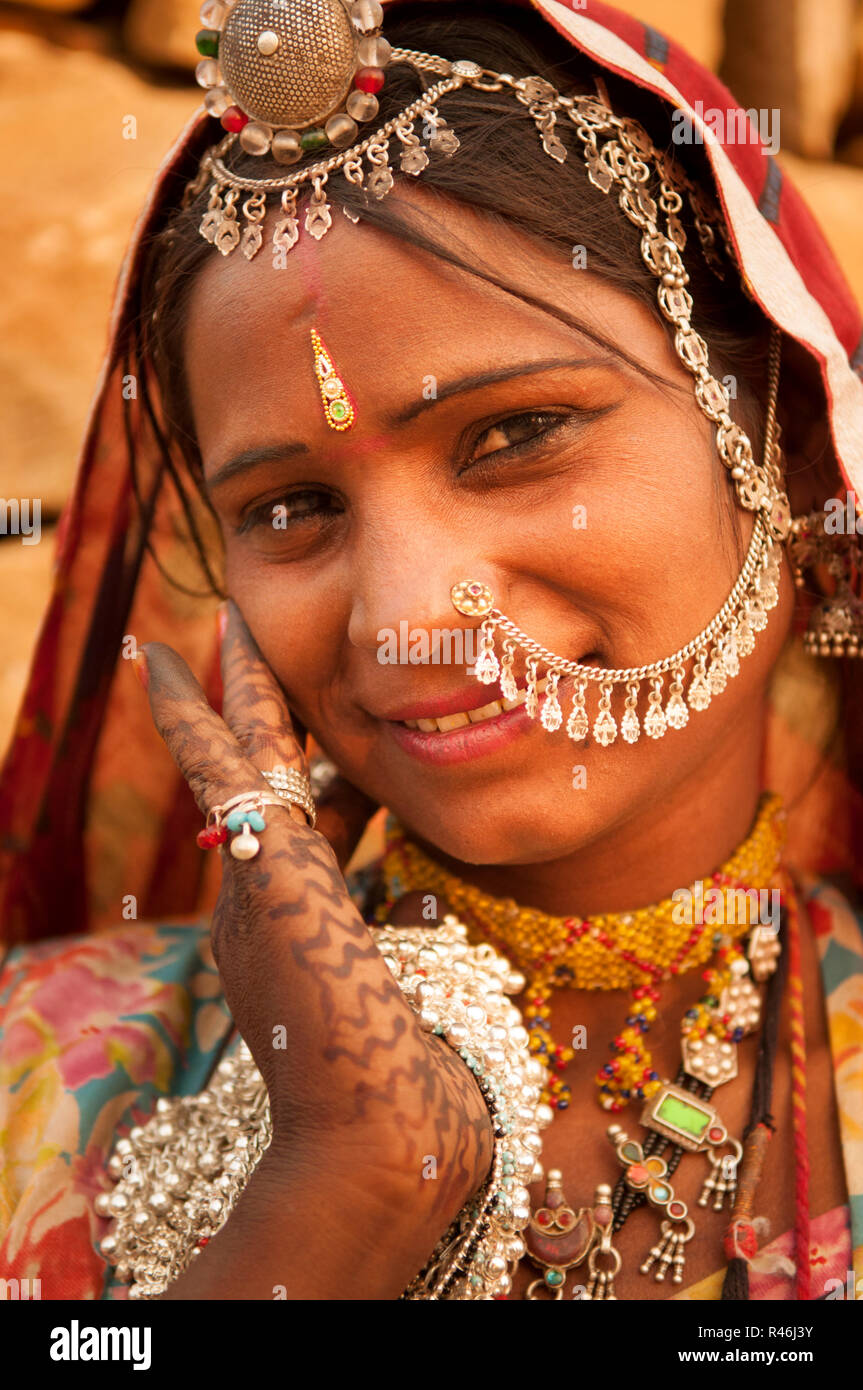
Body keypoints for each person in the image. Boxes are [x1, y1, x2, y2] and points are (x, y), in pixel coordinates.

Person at [1, 0, 862, 1302]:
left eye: (514, 436)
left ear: (786, 453)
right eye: (291, 508)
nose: (402, 611)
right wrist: (343, 1193)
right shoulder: (31, 1066)